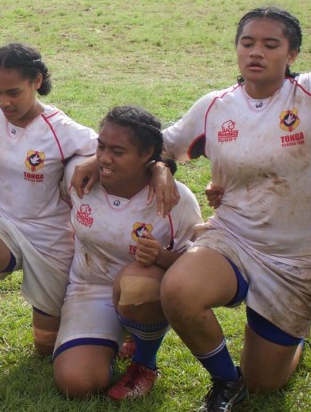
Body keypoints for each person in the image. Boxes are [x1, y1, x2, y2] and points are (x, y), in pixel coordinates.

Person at [72, 7, 311, 411]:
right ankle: (227, 383)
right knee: (179, 289)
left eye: (271, 44)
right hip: (233, 238)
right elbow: (157, 142)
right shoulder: (215, 106)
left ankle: (286, 341)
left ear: (293, 54)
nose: (256, 53)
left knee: (267, 381)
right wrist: (120, 162)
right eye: (247, 42)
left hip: (295, 259)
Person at [0, 43, 99, 381]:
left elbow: (119, 149)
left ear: (36, 81)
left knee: (45, 347)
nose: (4, 102)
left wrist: (97, 161)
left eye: (13, 92)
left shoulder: (62, 130)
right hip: (4, 225)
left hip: (50, 238)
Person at [53, 106, 202, 400]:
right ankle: (110, 340)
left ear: (147, 154)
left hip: (144, 290)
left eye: (118, 152)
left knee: (138, 282)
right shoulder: (78, 176)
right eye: (101, 147)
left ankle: (144, 362)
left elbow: (196, 268)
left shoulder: (176, 200)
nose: (105, 158)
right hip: (88, 288)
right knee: (77, 383)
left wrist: (160, 257)